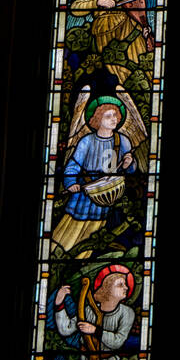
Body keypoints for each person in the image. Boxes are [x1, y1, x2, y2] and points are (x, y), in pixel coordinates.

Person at [51, 95, 135, 256]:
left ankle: (80, 260)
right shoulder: (86, 141)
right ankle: (59, 256)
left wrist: (127, 165)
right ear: (97, 118)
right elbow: (73, 166)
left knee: (93, 237)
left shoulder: (122, 140)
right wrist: (71, 183)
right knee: (69, 233)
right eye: (108, 115)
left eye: (115, 115)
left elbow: (130, 171)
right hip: (84, 196)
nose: (114, 119)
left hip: (106, 197)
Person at [50, 265, 136, 360]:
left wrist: (95, 330)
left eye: (126, 284)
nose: (126, 287)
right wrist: (59, 304)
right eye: (121, 284)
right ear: (107, 288)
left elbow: (118, 342)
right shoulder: (89, 310)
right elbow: (66, 329)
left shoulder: (126, 313)